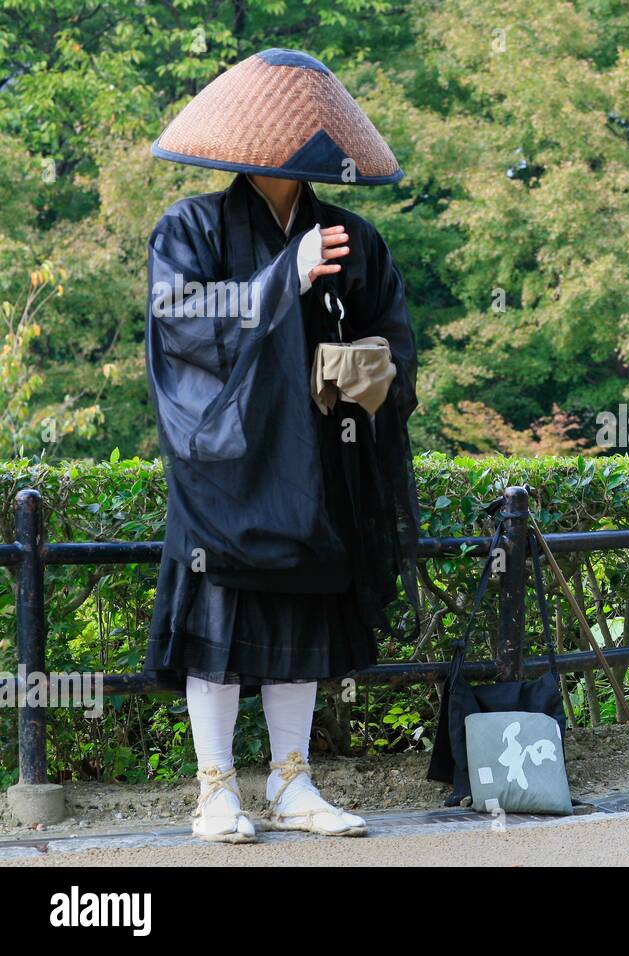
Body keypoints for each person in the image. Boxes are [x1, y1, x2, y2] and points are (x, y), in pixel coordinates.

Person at [145, 49, 420, 842]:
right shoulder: (190, 226)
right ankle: (215, 791)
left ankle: (294, 782)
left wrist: (362, 371)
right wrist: (282, 279)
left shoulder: (351, 236)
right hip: (226, 466)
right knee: (220, 625)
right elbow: (181, 324)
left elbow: (391, 339)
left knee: (300, 624)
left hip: (315, 464)